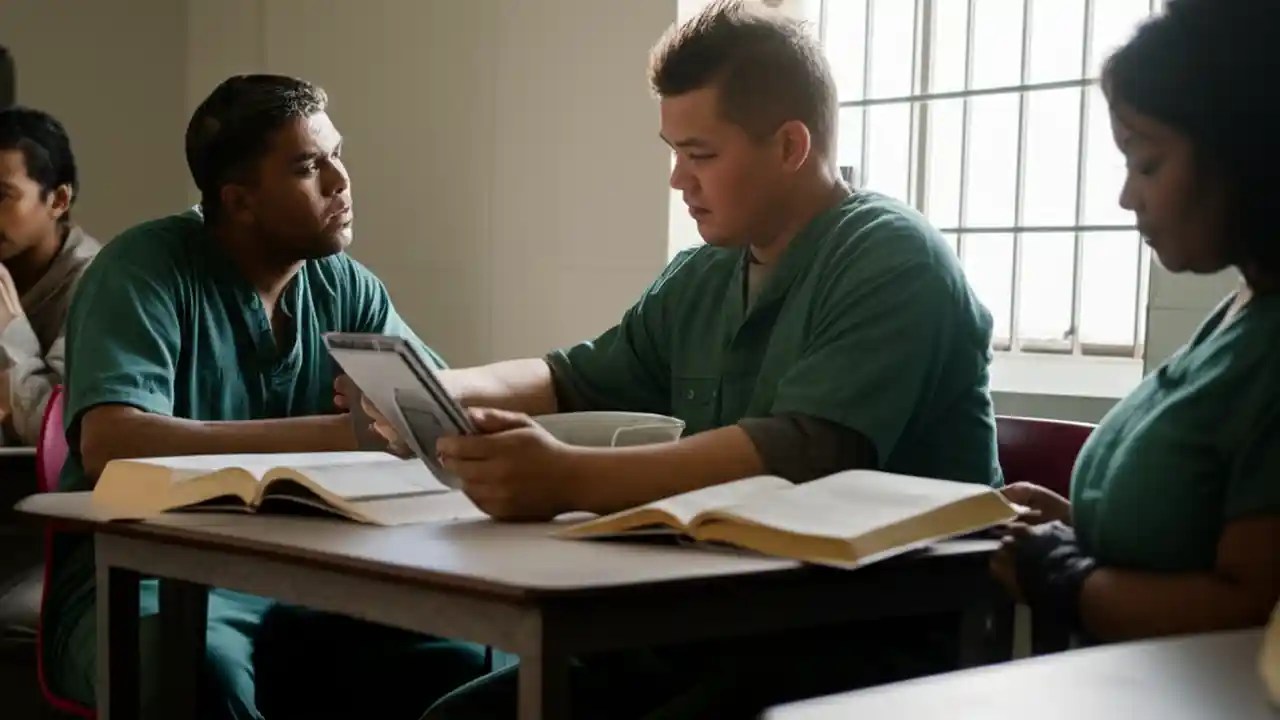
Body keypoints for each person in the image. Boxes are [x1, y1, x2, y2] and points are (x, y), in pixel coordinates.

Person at [349, 2, 1001, 716]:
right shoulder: (701, 276)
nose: (676, 180)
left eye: (701, 155)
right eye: (673, 151)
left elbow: (808, 448)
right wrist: (438, 386)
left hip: (869, 641)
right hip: (712, 624)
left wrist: (568, 477)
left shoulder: (893, 257)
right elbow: (573, 378)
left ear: (789, 146)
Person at [44, 75, 486, 720]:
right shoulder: (143, 269)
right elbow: (114, 442)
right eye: (309, 166)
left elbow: (436, 420)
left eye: (338, 155)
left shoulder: (346, 287)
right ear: (240, 201)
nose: (341, 181)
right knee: (195, 671)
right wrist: (335, 434)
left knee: (472, 663)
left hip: (316, 576)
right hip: (145, 579)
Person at [992, 0, 1280, 645]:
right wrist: (1072, 532)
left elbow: (1251, 615)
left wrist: (1067, 577)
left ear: (1245, 154)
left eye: (1146, 162)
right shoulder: (1238, 315)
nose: (1128, 195)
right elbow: (1188, 541)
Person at [0, 106, 100, 445]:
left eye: (2, 195)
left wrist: (7, 331)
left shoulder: (98, 284)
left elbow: (61, 434)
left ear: (58, 200)